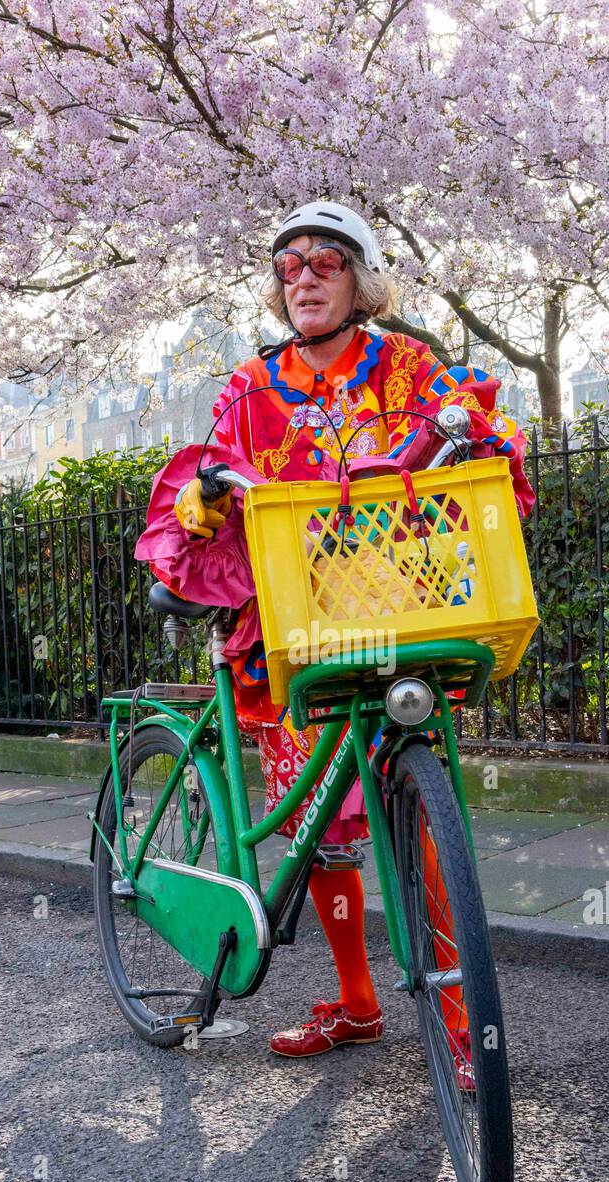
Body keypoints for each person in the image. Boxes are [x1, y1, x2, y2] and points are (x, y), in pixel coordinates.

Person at [135, 200, 534, 1060]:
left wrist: (477, 439)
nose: (304, 276)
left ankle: (463, 1024)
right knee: (320, 824)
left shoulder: (407, 364)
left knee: (424, 820)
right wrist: (202, 499)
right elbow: (211, 472)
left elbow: (478, 424)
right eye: (289, 266)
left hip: (403, 605)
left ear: (361, 279)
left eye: (324, 261)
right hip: (295, 621)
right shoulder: (249, 385)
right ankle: (356, 998)